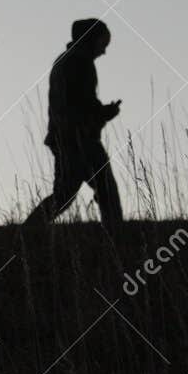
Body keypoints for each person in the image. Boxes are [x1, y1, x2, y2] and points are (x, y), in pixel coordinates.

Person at [25, 18, 123, 225]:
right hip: (79, 138)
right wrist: (105, 113)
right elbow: (82, 103)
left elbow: (76, 102)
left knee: (64, 194)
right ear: (91, 40)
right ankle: (117, 236)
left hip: (65, 137)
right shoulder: (80, 63)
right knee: (105, 188)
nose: (104, 51)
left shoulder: (65, 61)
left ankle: (27, 232)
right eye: (103, 43)